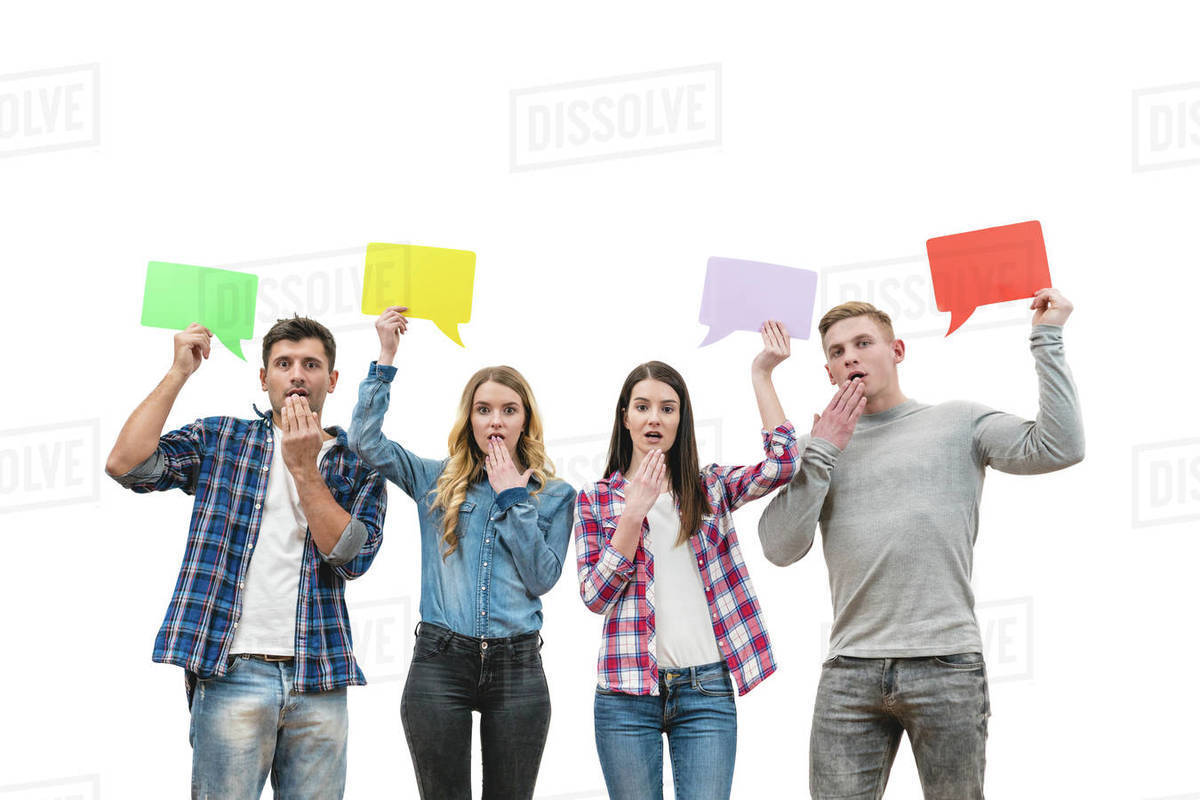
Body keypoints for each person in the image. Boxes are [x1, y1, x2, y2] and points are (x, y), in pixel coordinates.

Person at [757, 289, 1084, 799]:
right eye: (838, 352)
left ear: (897, 351)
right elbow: (778, 548)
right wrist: (821, 451)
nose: (851, 357)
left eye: (863, 343)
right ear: (829, 374)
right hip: (850, 673)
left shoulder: (958, 423)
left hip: (946, 665)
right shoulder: (818, 448)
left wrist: (1048, 335)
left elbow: (1060, 446)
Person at [105, 315, 387, 800]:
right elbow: (126, 465)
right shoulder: (223, 441)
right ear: (264, 378)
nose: (296, 374)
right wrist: (179, 372)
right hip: (232, 671)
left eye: (311, 364)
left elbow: (351, 558)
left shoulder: (359, 465)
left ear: (332, 380)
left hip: (319, 676)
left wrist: (303, 469)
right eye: (283, 363)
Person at [348, 306, 575, 800]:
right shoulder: (435, 479)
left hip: (517, 667)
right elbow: (364, 443)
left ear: (525, 420)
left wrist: (512, 496)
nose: (496, 420)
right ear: (469, 417)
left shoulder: (555, 496)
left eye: (509, 410)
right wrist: (386, 356)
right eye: (484, 409)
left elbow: (542, 578)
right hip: (440, 662)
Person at [574, 321, 798, 800]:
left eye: (667, 408)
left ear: (680, 420)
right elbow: (594, 597)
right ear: (626, 417)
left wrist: (762, 375)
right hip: (625, 695)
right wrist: (633, 515)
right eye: (643, 406)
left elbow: (782, 464)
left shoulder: (709, 488)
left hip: (706, 691)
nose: (655, 417)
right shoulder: (595, 500)